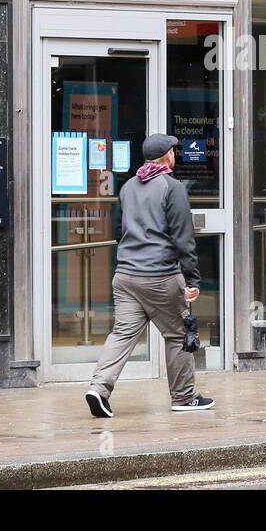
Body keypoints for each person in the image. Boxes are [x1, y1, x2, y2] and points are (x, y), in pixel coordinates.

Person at [86, 133, 215, 417]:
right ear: (167, 155)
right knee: (179, 332)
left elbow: (117, 229)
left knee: (122, 333)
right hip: (159, 276)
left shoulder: (129, 186)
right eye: (173, 151)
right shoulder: (172, 187)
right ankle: (184, 397)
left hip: (125, 276)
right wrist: (192, 279)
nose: (175, 155)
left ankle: (98, 388)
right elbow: (183, 237)